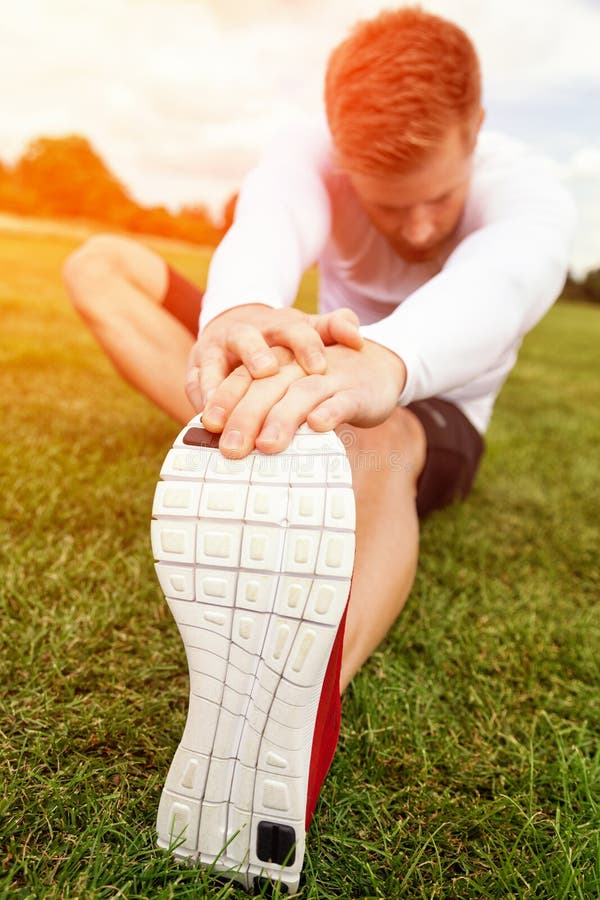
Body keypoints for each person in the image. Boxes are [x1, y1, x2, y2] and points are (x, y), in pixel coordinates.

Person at [63, 7, 575, 891]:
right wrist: (242, 318)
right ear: (343, 146)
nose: (417, 230)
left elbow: (502, 284)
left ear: (477, 130)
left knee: (370, 439)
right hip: (317, 360)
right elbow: (269, 225)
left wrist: (389, 363)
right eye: (388, 202)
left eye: (439, 201)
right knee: (98, 265)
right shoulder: (309, 149)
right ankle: (243, 416)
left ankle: (301, 703)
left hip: (429, 405)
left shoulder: (530, 191)